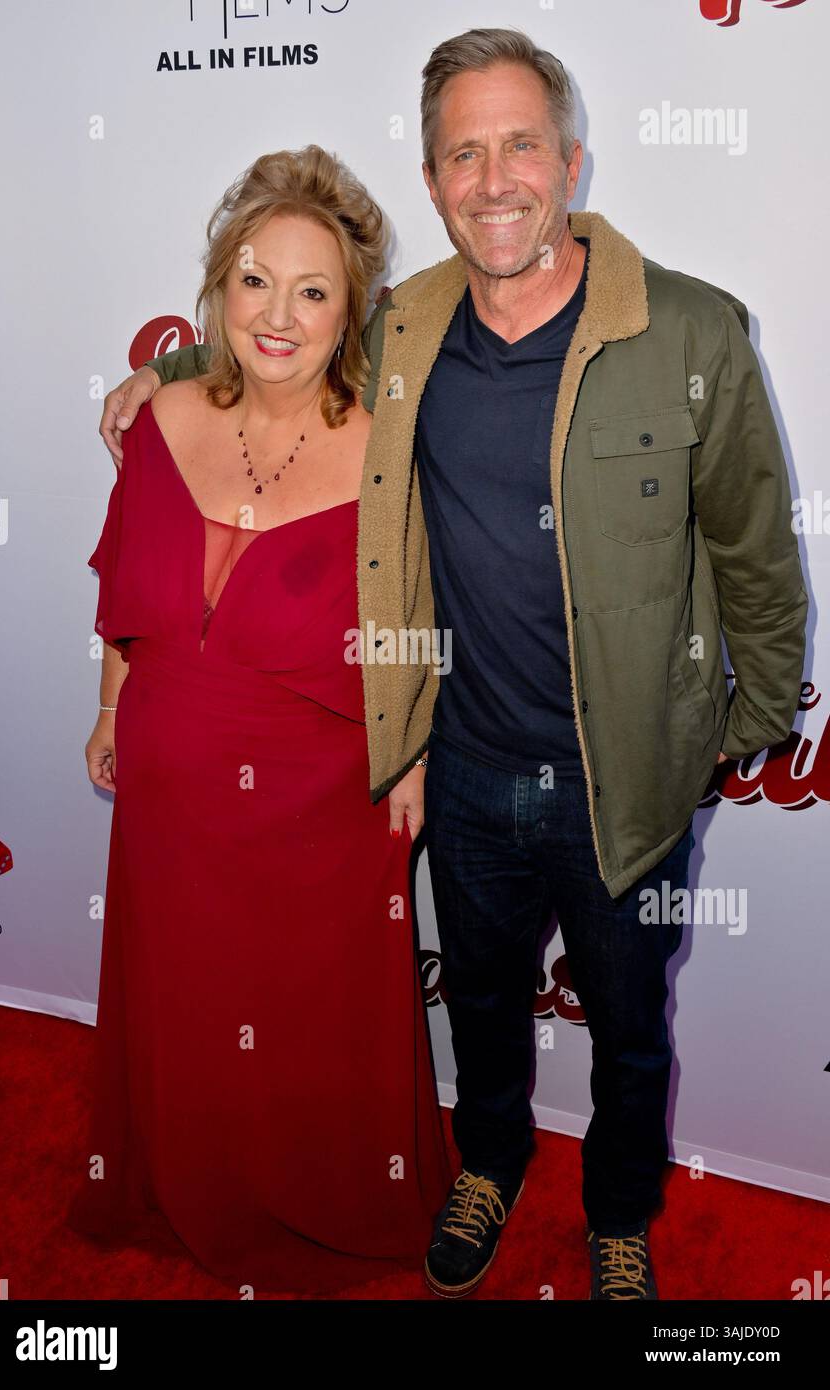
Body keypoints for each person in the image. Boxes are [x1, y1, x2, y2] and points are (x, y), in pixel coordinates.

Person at [100, 30, 808, 1301]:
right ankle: (487, 1163)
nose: (495, 179)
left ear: (572, 161)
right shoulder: (407, 327)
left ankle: (621, 1213)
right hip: (466, 766)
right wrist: (159, 374)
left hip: (625, 782)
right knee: (479, 1004)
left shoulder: (693, 329)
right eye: (464, 153)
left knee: (631, 1031)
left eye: (521, 144)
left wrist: (733, 730)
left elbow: (757, 550)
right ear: (432, 181)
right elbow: (272, 347)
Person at [69, 144, 452, 1297]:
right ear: (216, 290)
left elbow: (417, 609)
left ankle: (319, 1195)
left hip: (318, 790)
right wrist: (107, 708)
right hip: (173, 774)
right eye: (253, 280)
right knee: (183, 991)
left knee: (307, 1007)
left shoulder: (393, 445)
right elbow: (125, 592)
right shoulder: (158, 413)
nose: (277, 314)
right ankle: (181, 1178)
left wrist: (411, 752)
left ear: (355, 311)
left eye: (312, 290)